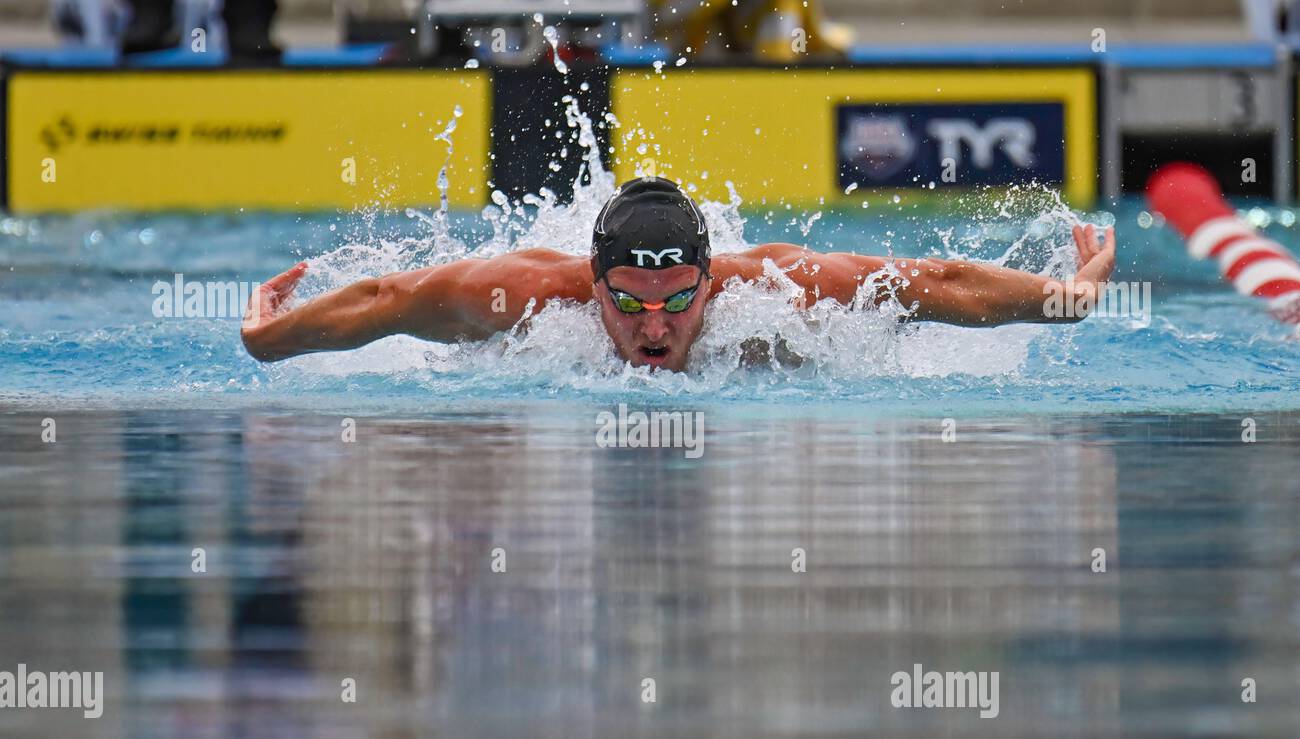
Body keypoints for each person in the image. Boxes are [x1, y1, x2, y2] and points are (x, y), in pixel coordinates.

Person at [241, 177, 1116, 372]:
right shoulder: (526, 295)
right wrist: (269, 337)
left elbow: (937, 282)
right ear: (594, 282)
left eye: (675, 304)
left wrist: (1067, 300)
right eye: (628, 305)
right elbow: (389, 299)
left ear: (708, 281)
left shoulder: (769, 288)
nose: (654, 329)